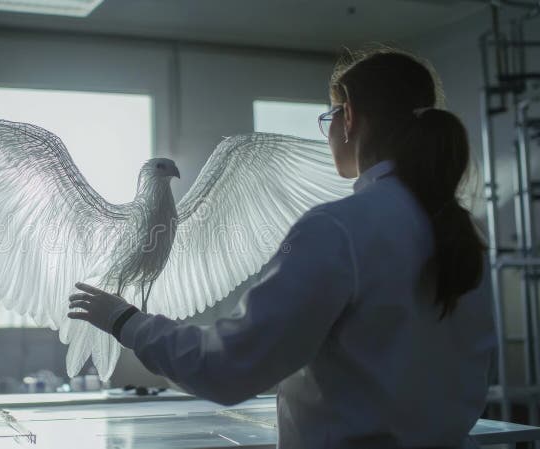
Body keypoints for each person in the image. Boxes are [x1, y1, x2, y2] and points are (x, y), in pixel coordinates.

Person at [68, 48, 496, 449]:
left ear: (349, 118)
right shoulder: (460, 231)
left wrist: (126, 321)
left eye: (329, 115)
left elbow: (228, 367)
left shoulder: (338, 228)